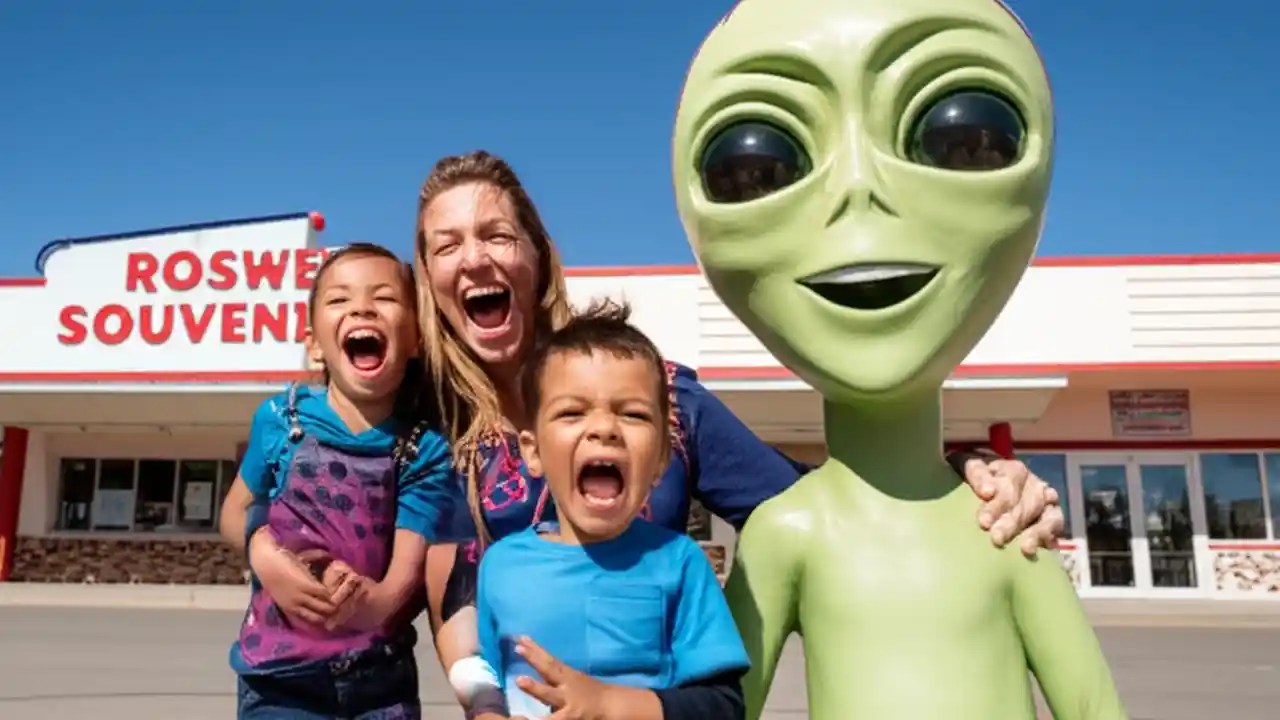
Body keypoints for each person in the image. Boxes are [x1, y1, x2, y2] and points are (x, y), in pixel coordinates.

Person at [407, 150, 1066, 712]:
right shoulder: (431, 436)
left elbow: (817, 509)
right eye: (447, 245)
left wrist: (963, 471)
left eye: (495, 235)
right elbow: (453, 614)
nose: (473, 260)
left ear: (536, 256)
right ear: (429, 280)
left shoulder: (665, 403)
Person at [217, 243, 459, 719]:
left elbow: (400, 583)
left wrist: (365, 603)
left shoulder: (425, 447)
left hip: (379, 684)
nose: (362, 307)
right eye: (339, 299)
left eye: (385, 298)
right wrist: (263, 555)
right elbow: (232, 513)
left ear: (416, 340)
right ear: (313, 343)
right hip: (278, 680)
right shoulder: (279, 420)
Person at [475, 299, 747, 720]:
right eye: (572, 412)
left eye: (633, 414)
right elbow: (489, 680)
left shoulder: (679, 562)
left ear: (659, 460)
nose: (604, 429)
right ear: (533, 452)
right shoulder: (500, 565)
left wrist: (608, 705)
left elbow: (723, 706)